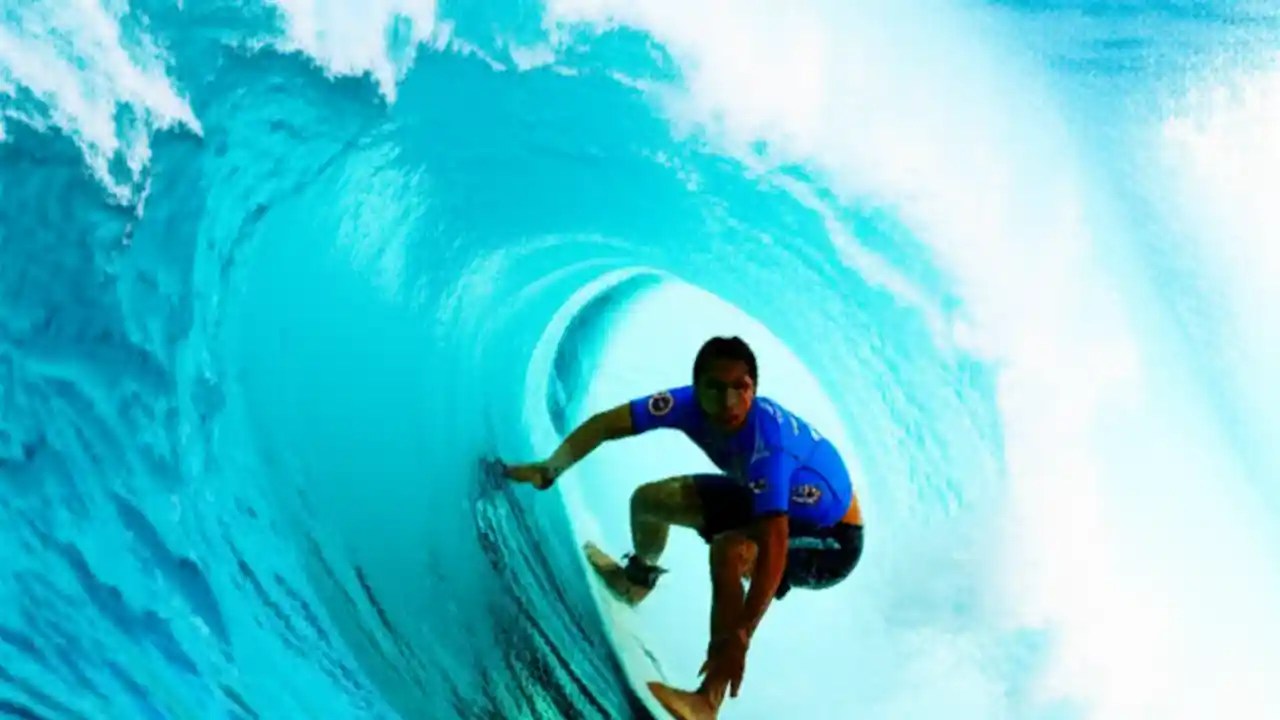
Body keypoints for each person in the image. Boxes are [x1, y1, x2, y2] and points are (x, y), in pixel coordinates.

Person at [501, 336, 864, 718]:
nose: (728, 403)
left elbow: (773, 547)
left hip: (831, 540)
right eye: (715, 388)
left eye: (740, 389)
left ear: (754, 390)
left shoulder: (769, 447)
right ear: (696, 387)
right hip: (768, 498)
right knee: (651, 502)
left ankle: (707, 701)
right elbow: (607, 425)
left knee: (729, 550)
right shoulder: (684, 405)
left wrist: (742, 634)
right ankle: (635, 582)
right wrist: (549, 469)